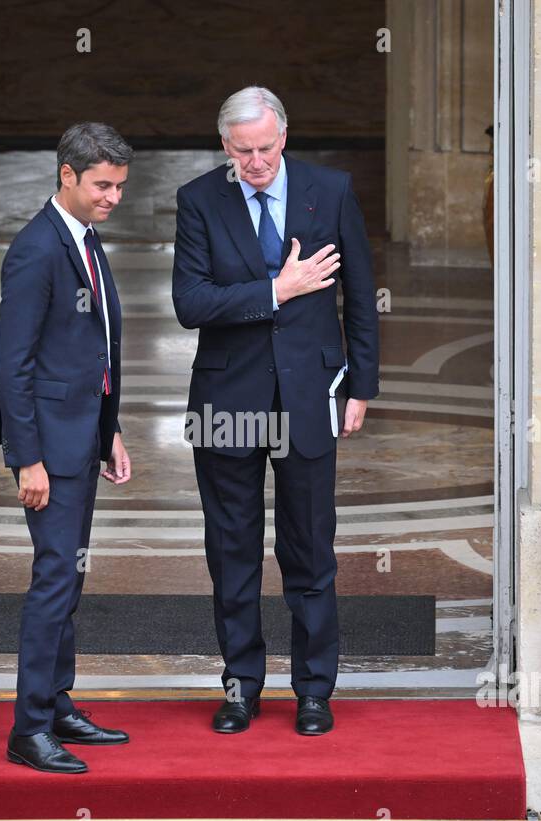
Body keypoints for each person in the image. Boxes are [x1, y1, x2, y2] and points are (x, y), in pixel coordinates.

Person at [171, 87, 380, 735]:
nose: (256, 162)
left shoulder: (332, 189)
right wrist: (275, 289)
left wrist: (361, 386)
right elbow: (191, 304)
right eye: (242, 151)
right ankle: (241, 687)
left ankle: (314, 691)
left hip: (307, 396)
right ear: (224, 147)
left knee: (310, 549)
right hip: (226, 402)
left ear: (283, 137)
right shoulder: (199, 200)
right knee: (232, 551)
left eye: (265, 148)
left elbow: (361, 295)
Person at [0, 123, 134, 773]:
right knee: (53, 581)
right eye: (103, 185)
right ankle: (28, 728)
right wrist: (27, 458)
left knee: (68, 577)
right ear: (67, 176)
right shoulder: (35, 249)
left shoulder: (84, 238)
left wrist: (111, 432)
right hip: (48, 449)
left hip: (81, 439)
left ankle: (57, 702)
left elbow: (93, 347)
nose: (113, 197)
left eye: (120, 187)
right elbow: (12, 365)